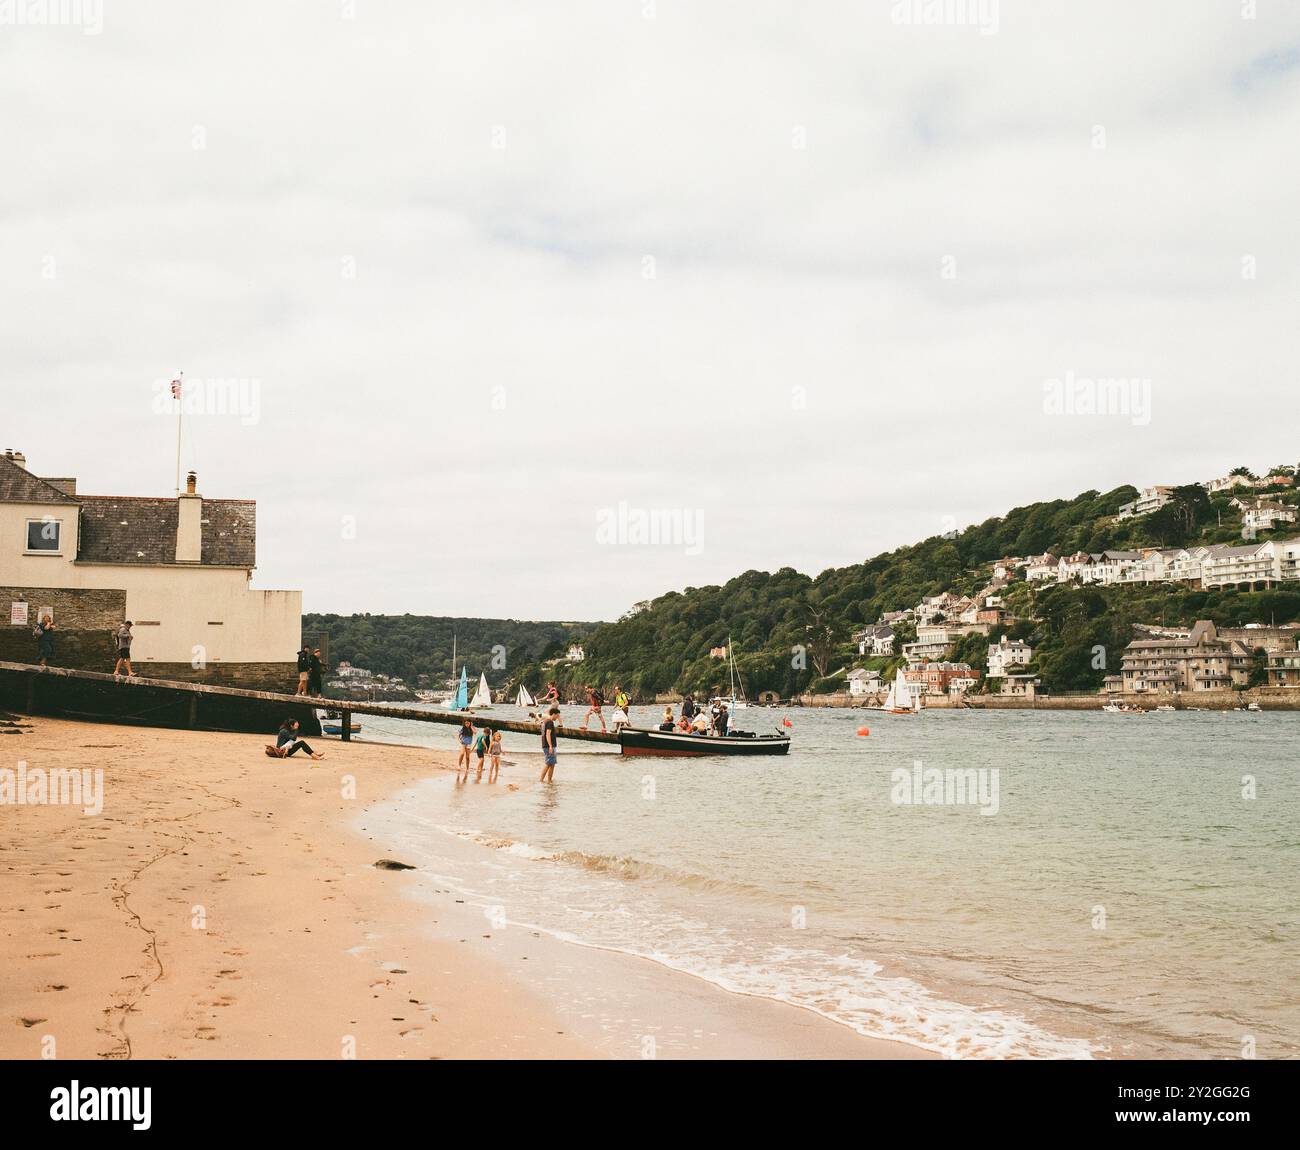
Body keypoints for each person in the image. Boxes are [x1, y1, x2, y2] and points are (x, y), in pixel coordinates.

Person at [540, 706, 559, 783]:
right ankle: (542, 780)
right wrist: (550, 746)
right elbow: (548, 734)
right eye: (557, 715)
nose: (557, 717)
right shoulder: (549, 722)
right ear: (553, 714)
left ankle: (549, 780)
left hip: (547, 745)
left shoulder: (545, 721)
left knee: (552, 763)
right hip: (549, 746)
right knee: (548, 763)